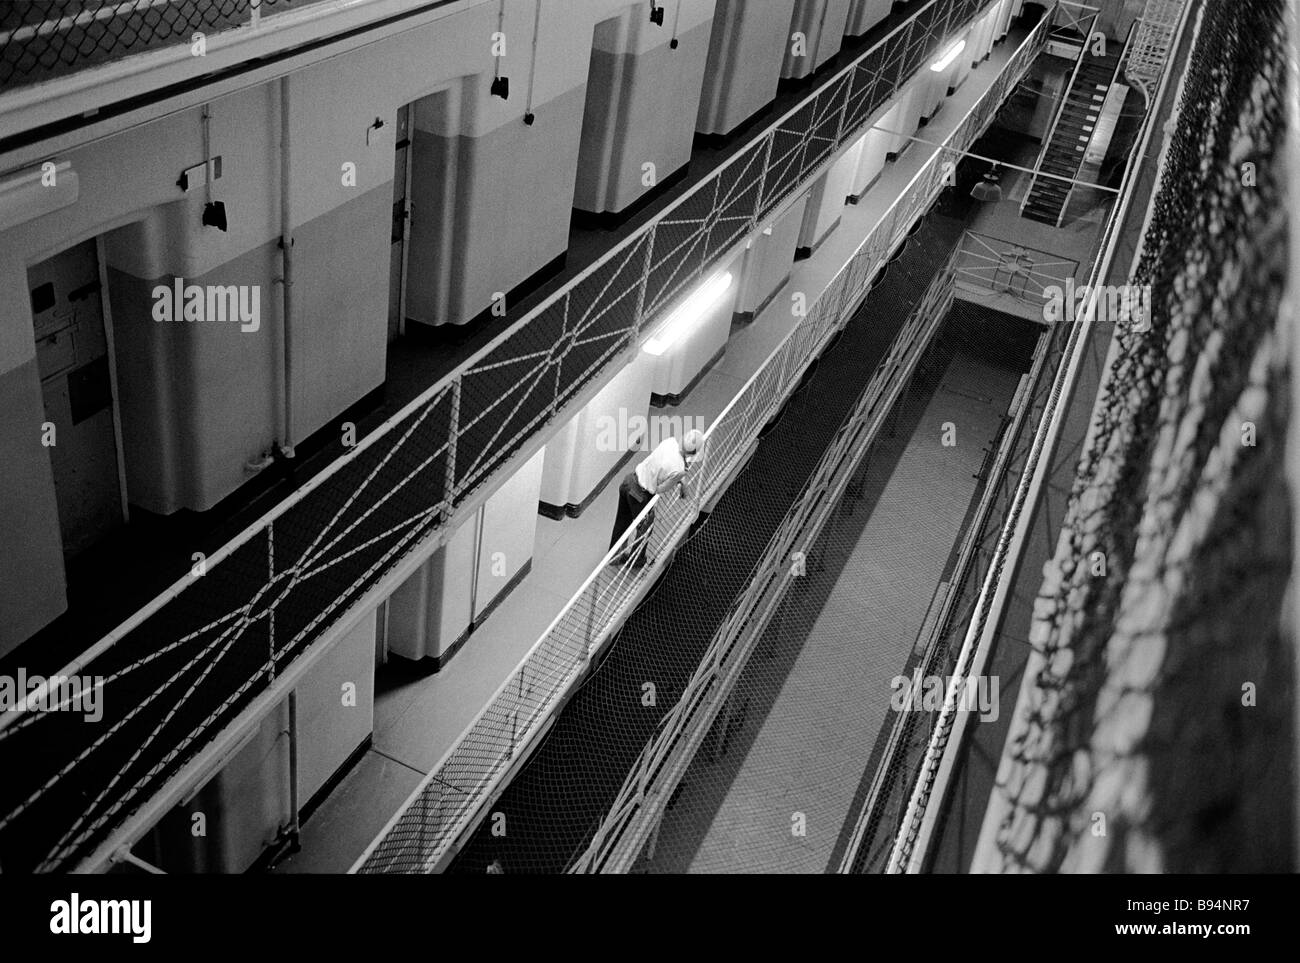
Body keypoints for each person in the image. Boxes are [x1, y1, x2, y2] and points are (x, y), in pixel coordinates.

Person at [609, 429, 704, 566]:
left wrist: (680, 478)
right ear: (694, 452)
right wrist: (681, 478)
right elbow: (660, 489)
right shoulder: (679, 469)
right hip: (640, 495)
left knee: (622, 521)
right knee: (646, 528)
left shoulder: (669, 442)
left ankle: (614, 557)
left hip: (629, 480)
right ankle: (637, 560)